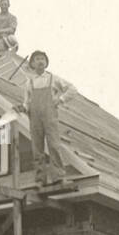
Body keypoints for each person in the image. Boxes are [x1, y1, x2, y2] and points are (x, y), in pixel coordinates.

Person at [17, 50, 73, 185]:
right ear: (32, 64)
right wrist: (23, 108)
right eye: (37, 59)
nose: (40, 61)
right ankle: (40, 179)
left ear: (46, 63)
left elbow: (72, 89)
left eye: (42, 59)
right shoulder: (29, 82)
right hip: (35, 117)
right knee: (37, 149)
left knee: (54, 145)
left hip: (50, 116)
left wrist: (60, 100)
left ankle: (58, 176)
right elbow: (27, 102)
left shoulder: (53, 79)